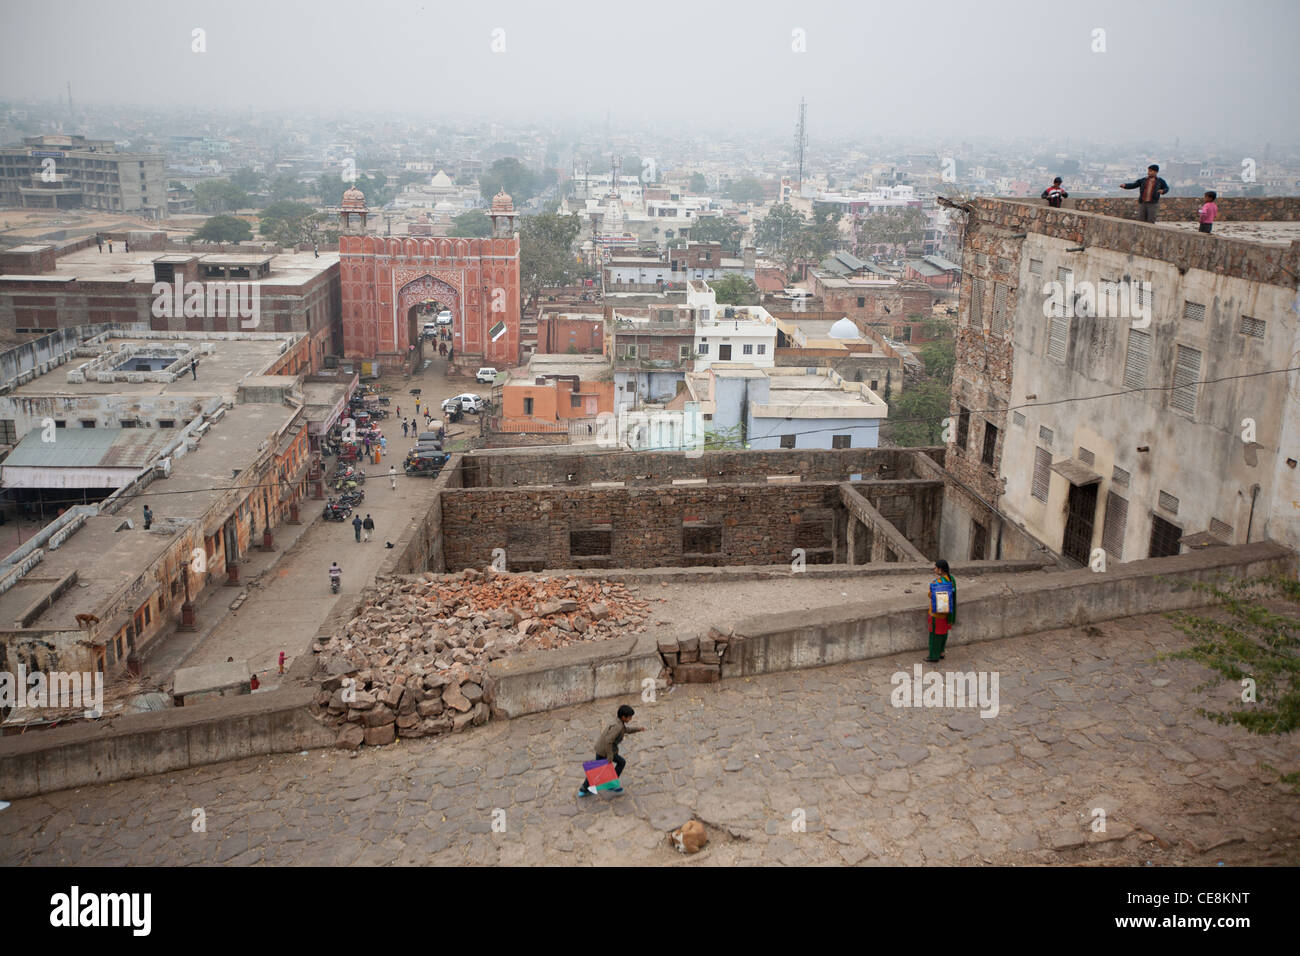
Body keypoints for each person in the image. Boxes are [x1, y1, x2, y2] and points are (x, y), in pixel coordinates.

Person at [578, 704, 644, 796]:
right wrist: (610, 756)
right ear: (623, 717)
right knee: (603, 769)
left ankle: (590, 787)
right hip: (604, 750)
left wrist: (638, 729)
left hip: (603, 748)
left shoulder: (618, 722)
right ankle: (586, 788)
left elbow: (626, 730)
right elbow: (608, 741)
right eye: (629, 717)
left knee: (600, 769)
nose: (630, 719)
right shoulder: (617, 727)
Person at [925, 559, 958, 663]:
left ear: (940, 570)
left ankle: (934, 656)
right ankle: (941, 652)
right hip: (946, 613)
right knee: (943, 633)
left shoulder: (937, 583)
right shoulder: (951, 579)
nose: (934, 569)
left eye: (935, 567)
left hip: (937, 613)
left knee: (935, 635)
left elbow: (930, 595)